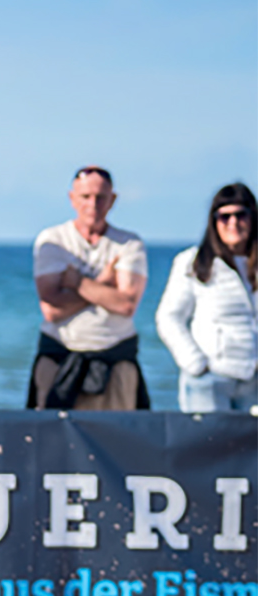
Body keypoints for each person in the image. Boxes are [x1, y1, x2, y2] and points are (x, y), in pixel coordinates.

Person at [29, 166, 150, 410]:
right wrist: (104, 285)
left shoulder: (129, 243)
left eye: (100, 197)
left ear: (112, 200)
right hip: (60, 358)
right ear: (72, 198)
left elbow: (126, 304)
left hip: (115, 361)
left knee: (118, 443)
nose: (93, 204)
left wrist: (77, 283)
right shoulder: (53, 240)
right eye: (86, 197)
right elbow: (52, 308)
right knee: (52, 442)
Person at [155, 182, 258, 412]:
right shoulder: (192, 263)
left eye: (241, 215)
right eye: (225, 217)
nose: (233, 223)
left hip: (253, 381)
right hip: (210, 380)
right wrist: (195, 364)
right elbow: (169, 317)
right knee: (209, 447)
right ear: (214, 222)